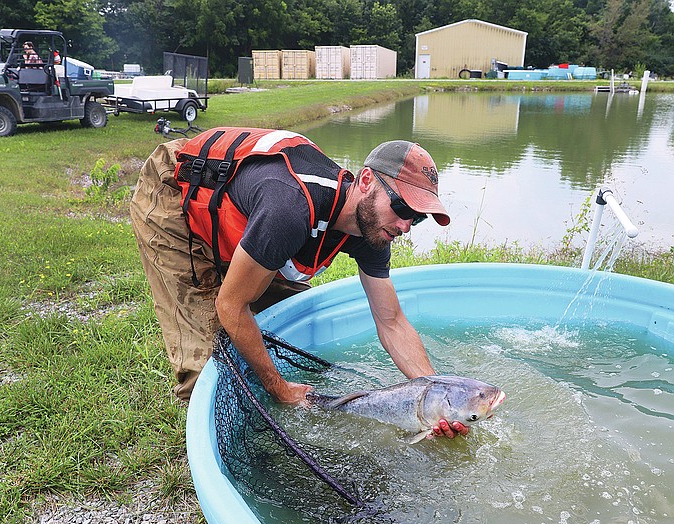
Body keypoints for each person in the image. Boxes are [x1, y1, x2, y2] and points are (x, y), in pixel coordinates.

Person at [130, 127, 466, 439]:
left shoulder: (374, 228)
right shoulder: (290, 209)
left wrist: (437, 395)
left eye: (417, 217)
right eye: (400, 206)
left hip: (243, 210)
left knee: (277, 327)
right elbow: (230, 306)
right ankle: (205, 453)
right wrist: (280, 389)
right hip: (175, 191)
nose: (405, 225)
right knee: (210, 355)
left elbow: (391, 322)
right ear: (366, 180)